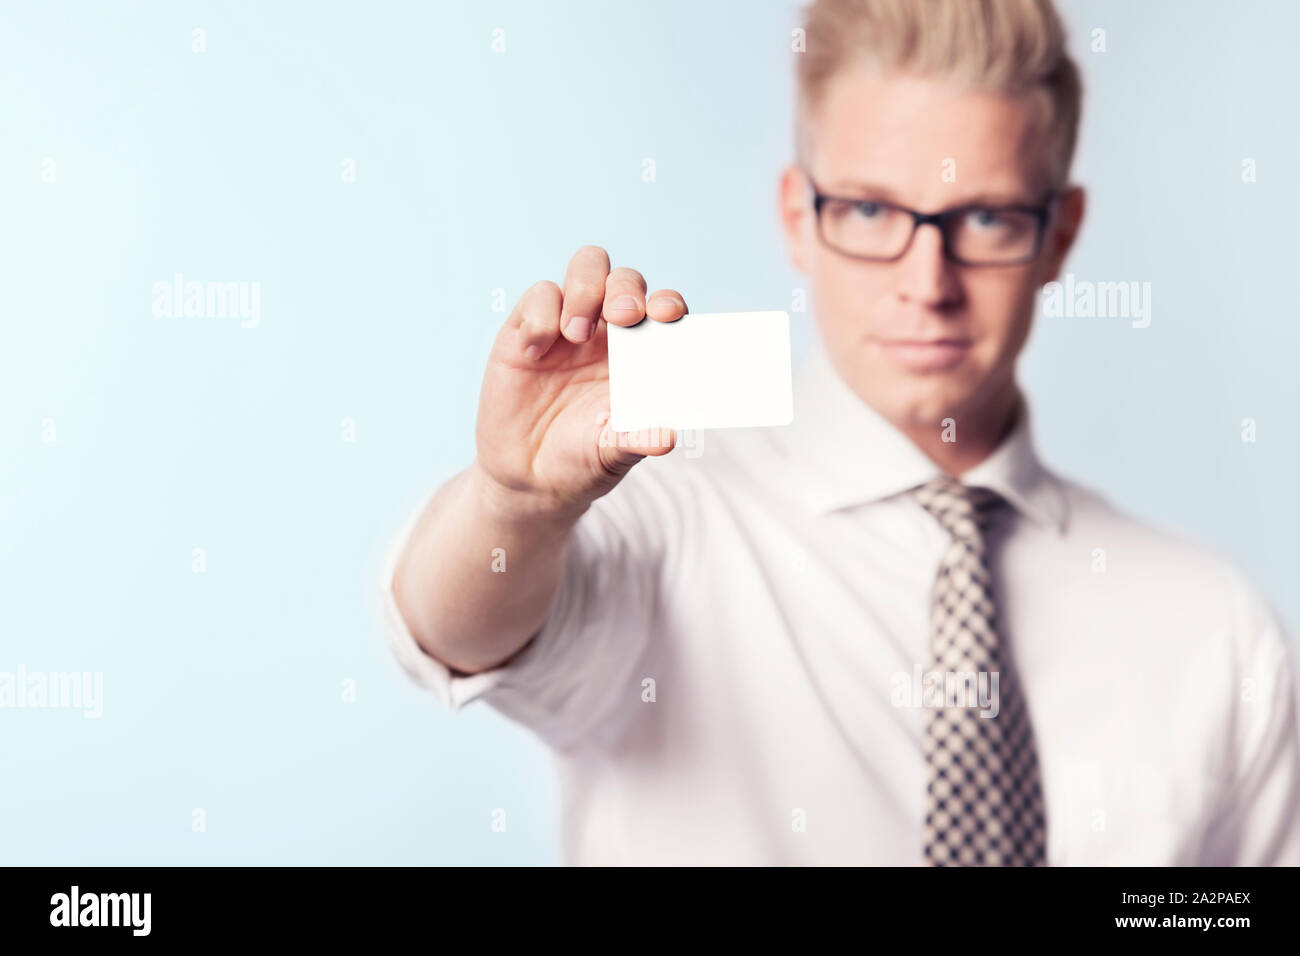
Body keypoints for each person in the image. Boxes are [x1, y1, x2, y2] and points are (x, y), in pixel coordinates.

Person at [380, 0, 1300, 865]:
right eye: (870, 211)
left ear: (1060, 235)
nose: (926, 281)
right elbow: (454, 629)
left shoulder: (1210, 625)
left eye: (985, 217)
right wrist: (516, 507)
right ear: (798, 219)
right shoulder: (670, 523)